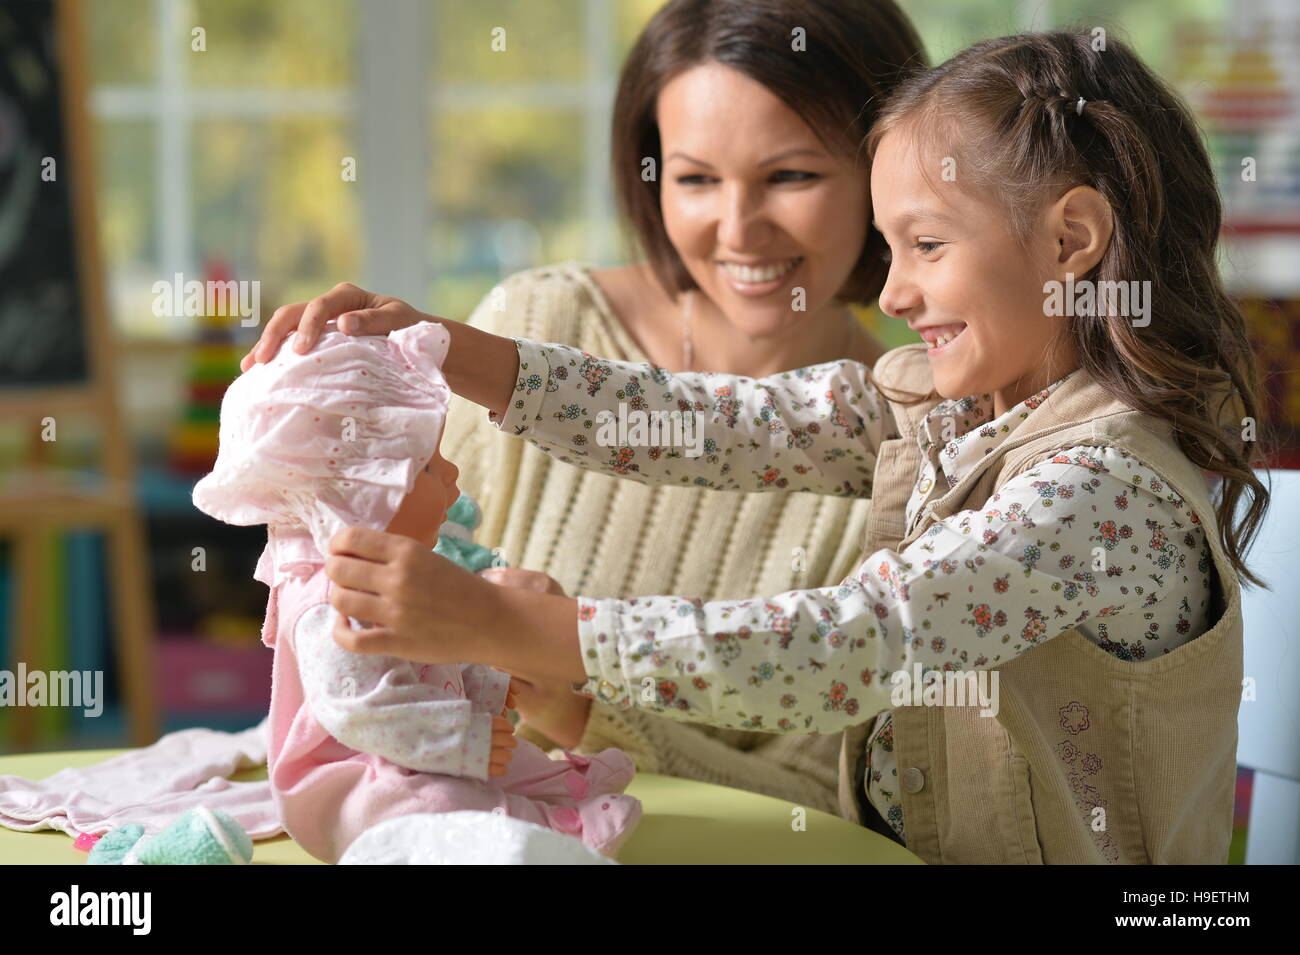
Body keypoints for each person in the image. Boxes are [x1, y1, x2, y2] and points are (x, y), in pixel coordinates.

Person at [270, 31, 1270, 864]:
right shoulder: (952, 410)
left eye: (926, 246)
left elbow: (851, 638)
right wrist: (447, 349)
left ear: (1069, 241)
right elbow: (691, 421)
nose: (891, 296)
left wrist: (518, 628)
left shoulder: (1100, 492)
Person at [243, 0, 926, 818]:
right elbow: (355, 607)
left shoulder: (911, 449)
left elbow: (820, 801)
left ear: (892, 174)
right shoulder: (533, 328)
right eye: (696, 178)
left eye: (791, 176)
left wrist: (569, 703)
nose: (739, 229)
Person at [194, 321, 641, 863]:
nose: (453, 475)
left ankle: (556, 786)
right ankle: (552, 826)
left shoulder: (399, 572)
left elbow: (443, 654)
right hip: (357, 774)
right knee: (433, 801)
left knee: (500, 758)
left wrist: (488, 677)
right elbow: (359, 709)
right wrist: (460, 735)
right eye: (428, 466)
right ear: (359, 499)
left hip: (422, 744)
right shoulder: (330, 600)